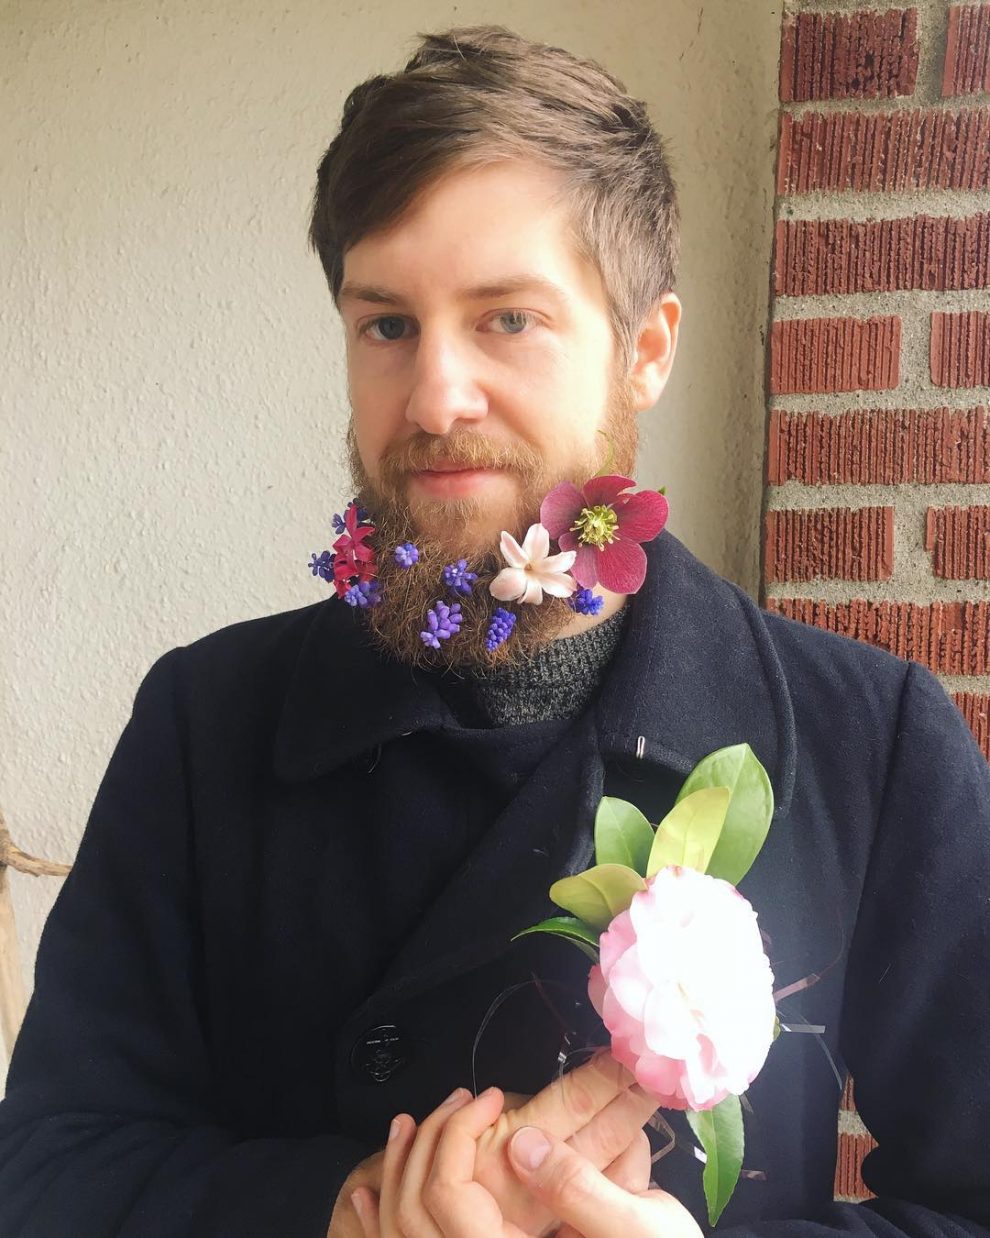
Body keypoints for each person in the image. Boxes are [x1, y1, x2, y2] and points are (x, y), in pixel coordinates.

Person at [1, 21, 989, 1238]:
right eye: (387, 324)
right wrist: (348, 1207)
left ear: (647, 350)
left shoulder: (872, 741)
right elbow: (48, 1171)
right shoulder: (205, 721)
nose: (433, 397)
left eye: (508, 318)